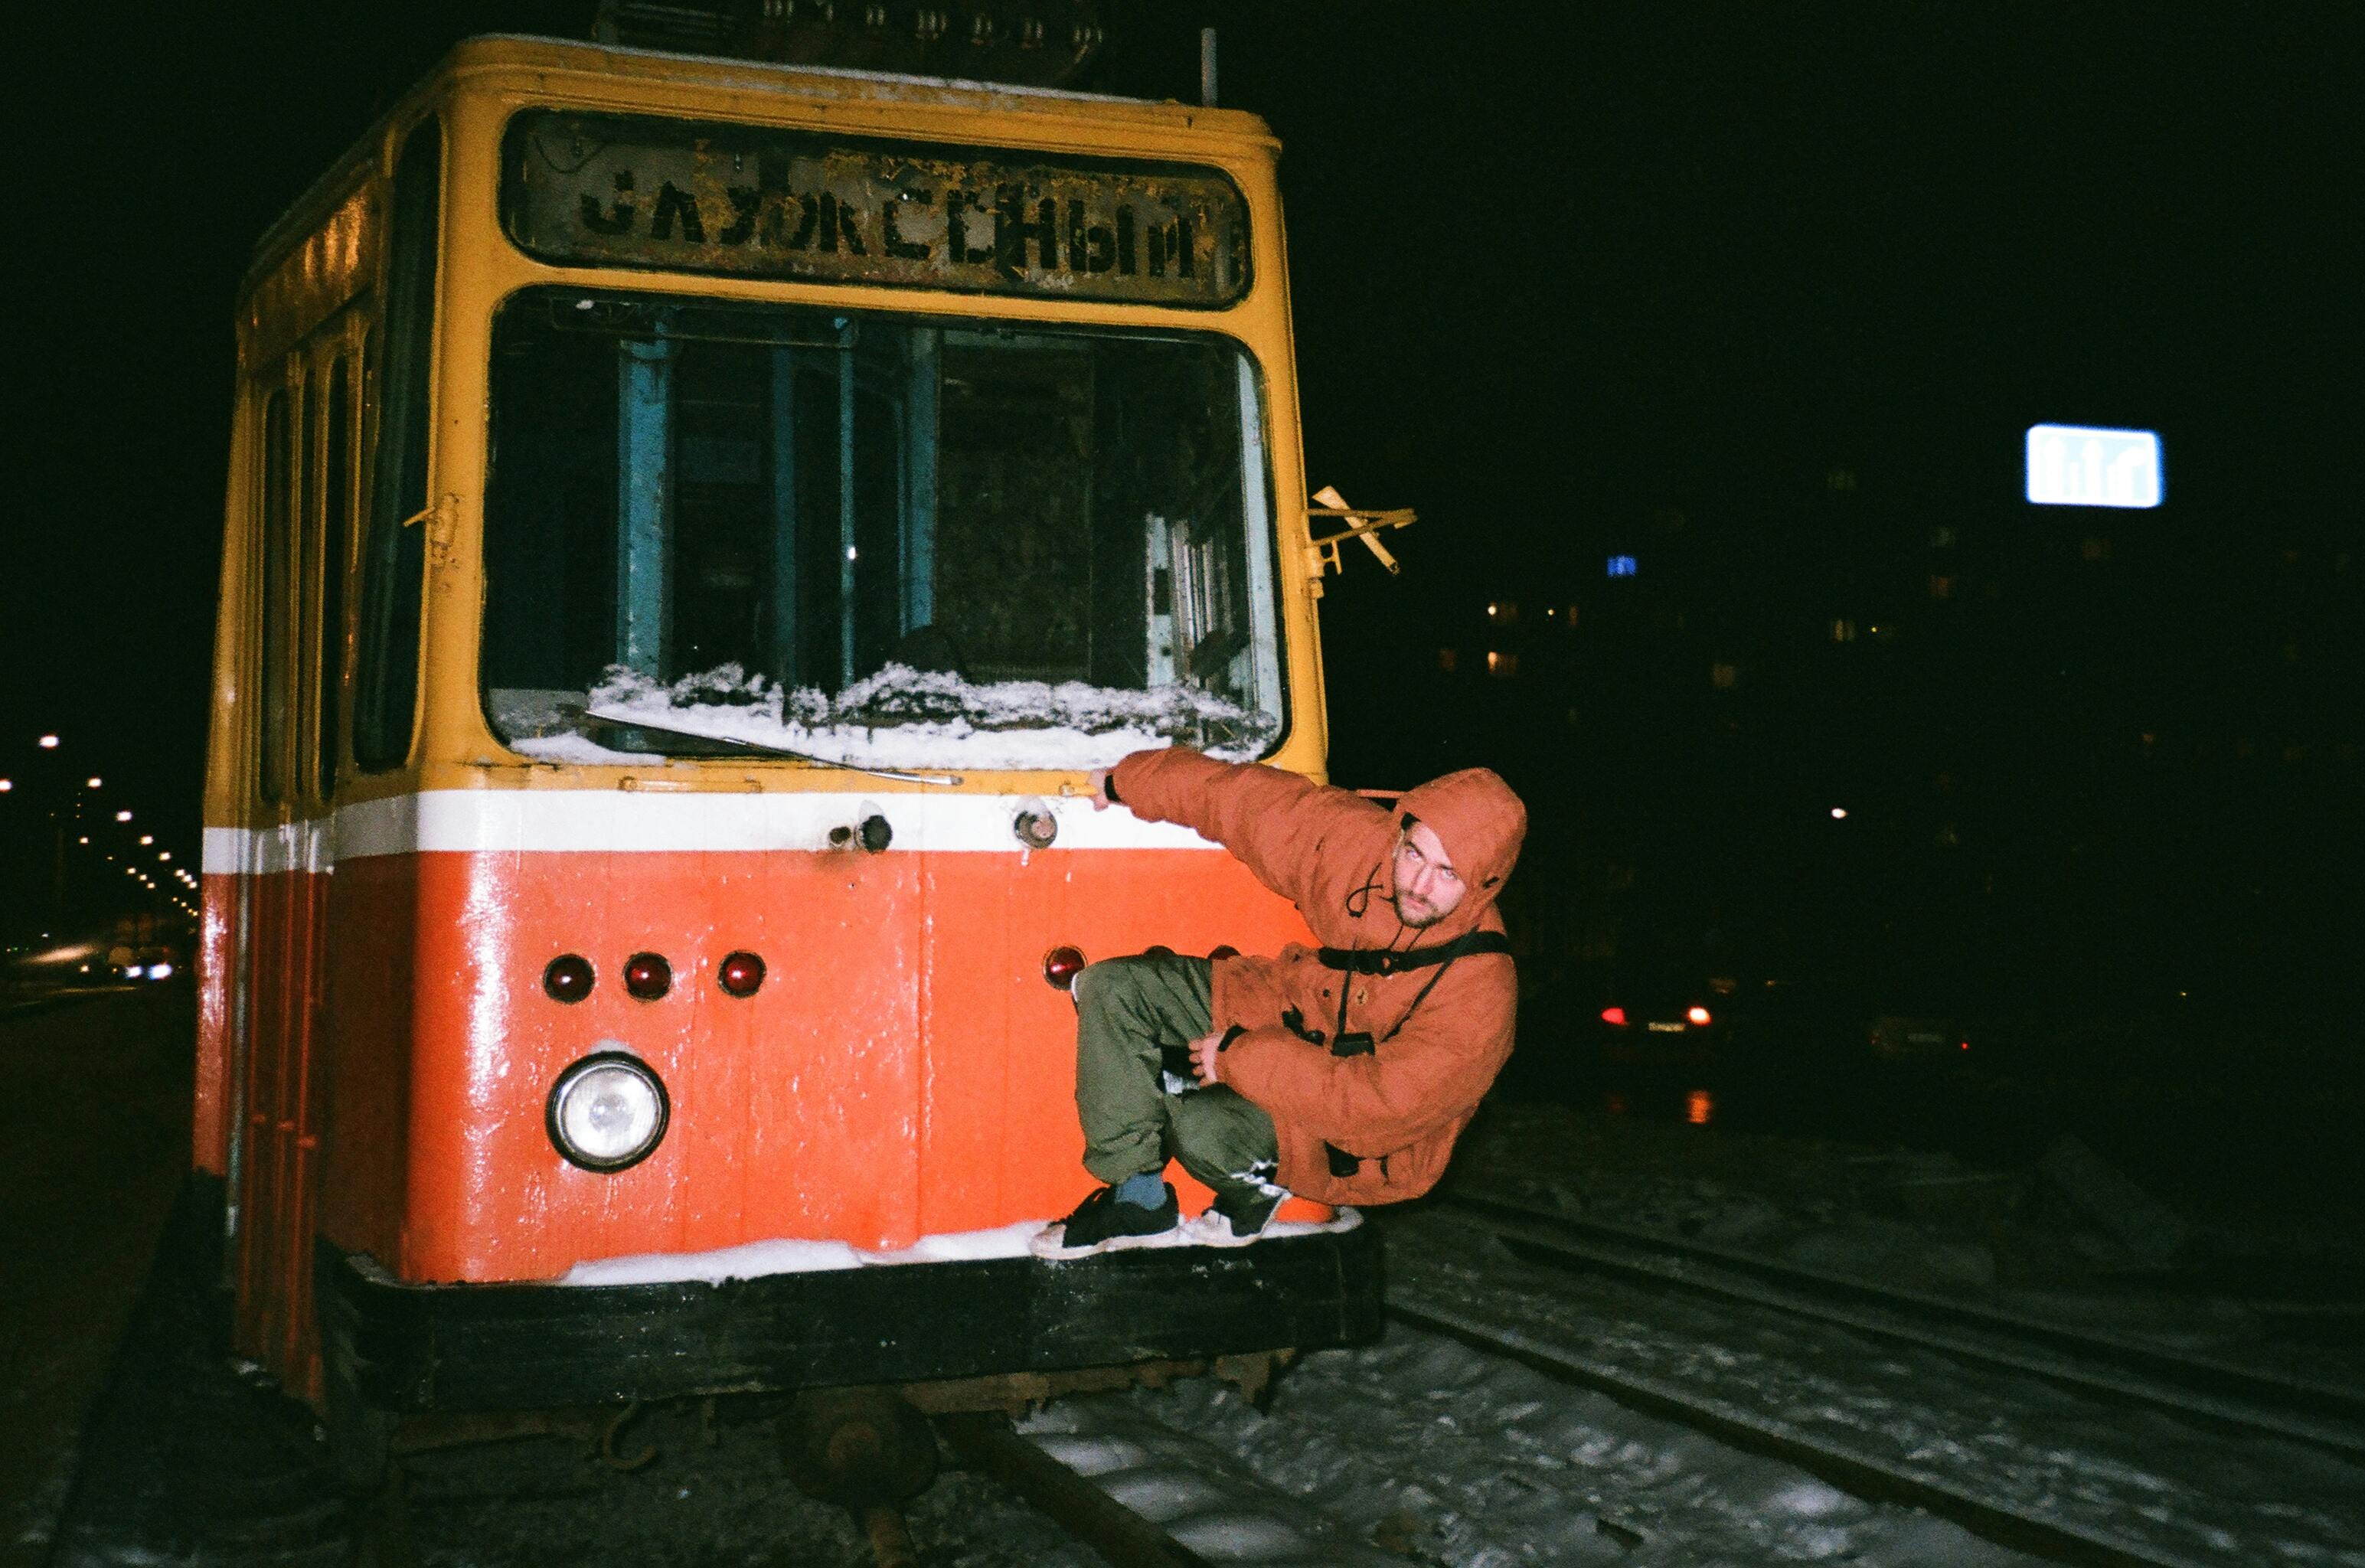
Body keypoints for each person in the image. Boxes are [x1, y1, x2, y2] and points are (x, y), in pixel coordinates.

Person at [1031, 746, 1526, 1259]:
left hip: (1358, 1143)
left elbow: (1374, 1110)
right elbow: (1243, 800)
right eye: (1415, 854)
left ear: (1485, 883)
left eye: (1448, 873)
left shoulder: (1480, 994)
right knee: (1114, 987)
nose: (1418, 885)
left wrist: (1238, 1057)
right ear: (1399, 834)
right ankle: (1138, 1202)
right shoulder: (1357, 848)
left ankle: (1255, 1189)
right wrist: (1126, 782)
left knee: (1200, 1129)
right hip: (1294, 1010)